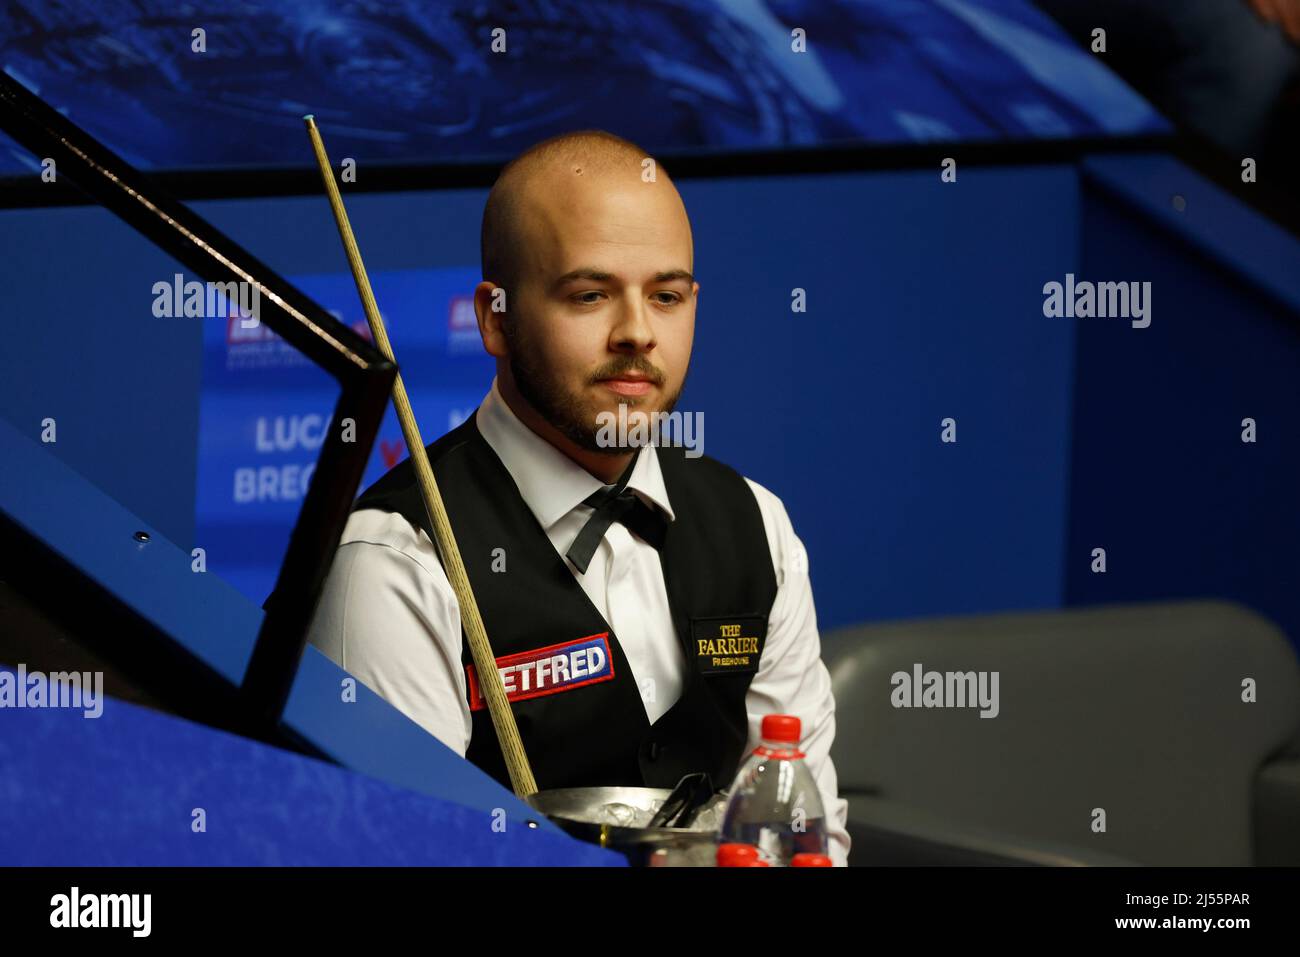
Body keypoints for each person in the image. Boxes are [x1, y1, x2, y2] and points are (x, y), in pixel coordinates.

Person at [306, 129, 851, 865]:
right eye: (590, 294)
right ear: (495, 318)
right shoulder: (397, 562)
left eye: (666, 295)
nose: (637, 333)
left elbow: (803, 834)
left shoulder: (756, 526)